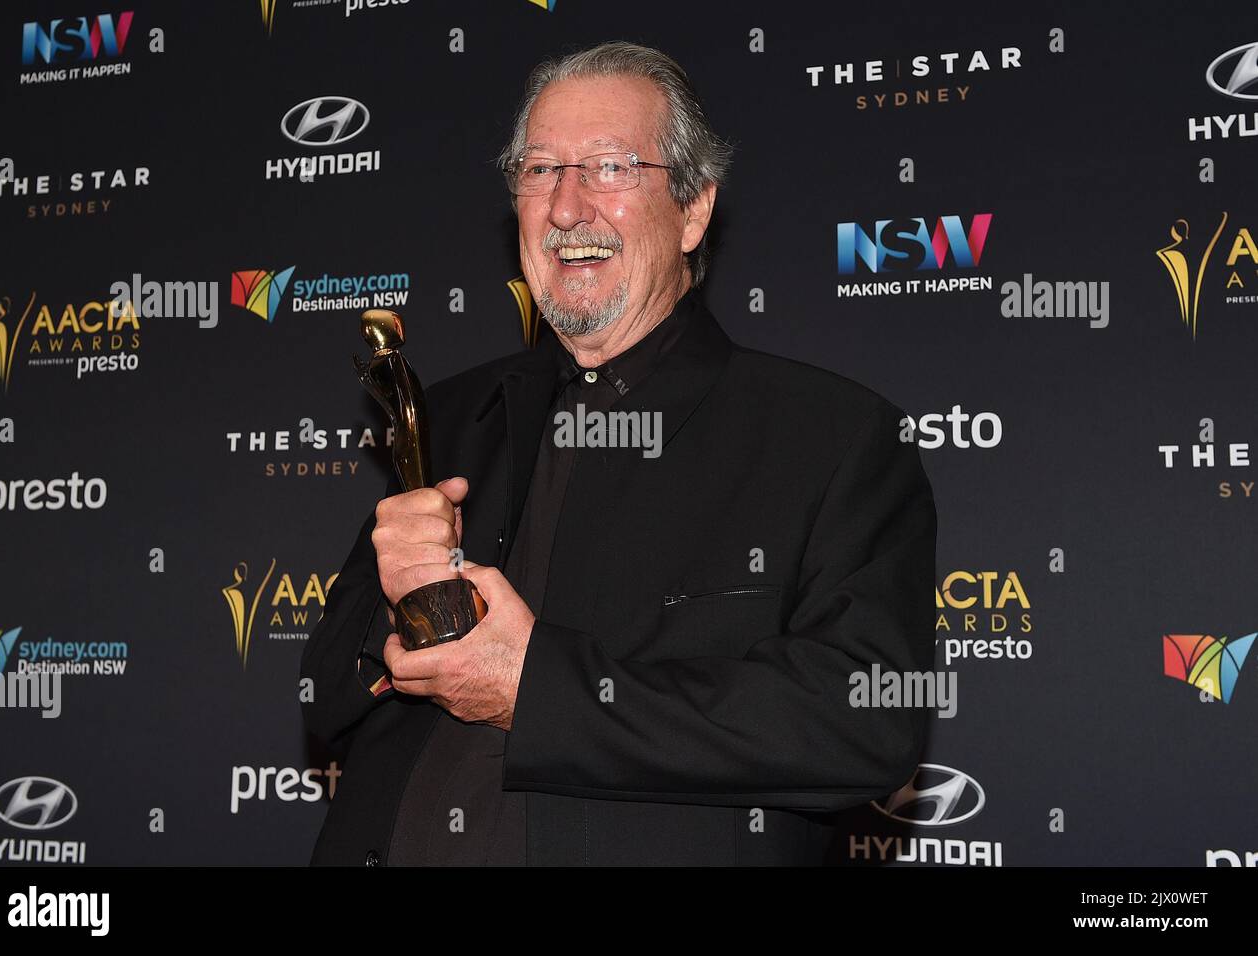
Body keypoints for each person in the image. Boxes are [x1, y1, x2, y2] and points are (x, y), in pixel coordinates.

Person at [300, 41, 936, 866]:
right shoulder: (447, 417)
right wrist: (390, 615)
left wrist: (535, 691)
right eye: (539, 171)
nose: (566, 208)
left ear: (695, 209)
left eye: (608, 168)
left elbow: (865, 722)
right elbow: (321, 701)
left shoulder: (834, 437)